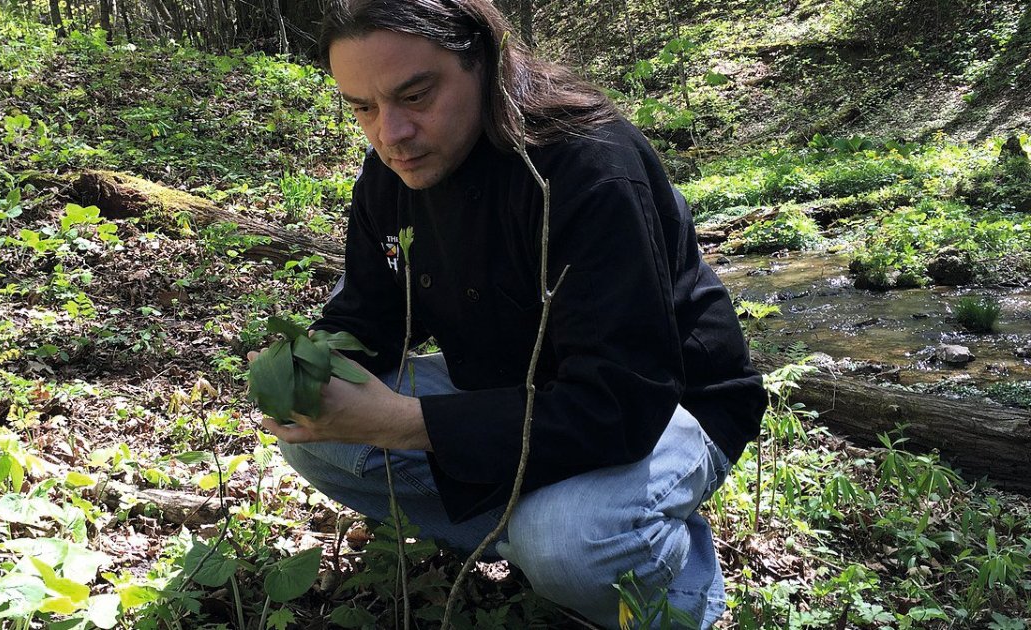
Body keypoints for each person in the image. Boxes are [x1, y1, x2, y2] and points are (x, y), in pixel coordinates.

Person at [252, 1, 767, 627]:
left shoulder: (586, 165)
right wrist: (303, 364)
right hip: (507, 387)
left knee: (568, 543)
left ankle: (663, 576)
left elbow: (623, 400)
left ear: (483, 59)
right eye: (362, 107)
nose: (390, 134)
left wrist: (409, 425)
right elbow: (370, 313)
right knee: (318, 438)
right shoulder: (392, 173)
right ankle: (540, 532)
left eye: (415, 95)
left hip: (670, 401)